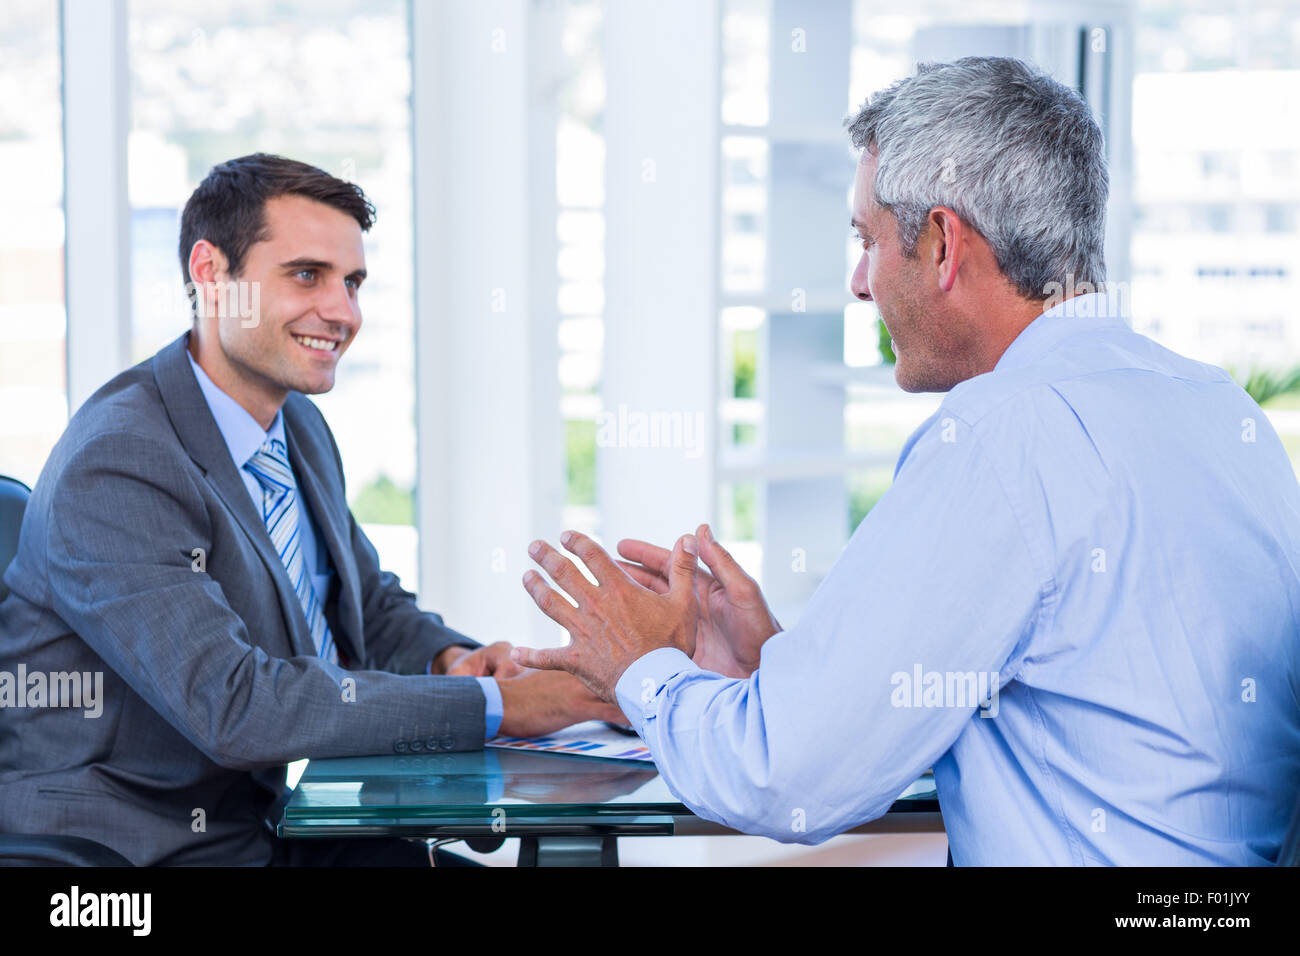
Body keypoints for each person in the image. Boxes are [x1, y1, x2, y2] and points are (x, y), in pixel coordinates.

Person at [511, 57, 1300, 865]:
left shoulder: (1003, 434)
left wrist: (642, 666)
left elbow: (784, 783)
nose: (860, 282)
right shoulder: (1220, 410)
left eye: (869, 240)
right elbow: (1102, 719)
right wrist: (784, 671)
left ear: (943, 244)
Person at [0, 153, 619, 866]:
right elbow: (236, 706)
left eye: (352, 283)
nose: (343, 313)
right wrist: (510, 708)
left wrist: (455, 662)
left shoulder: (293, 425)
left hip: (272, 826)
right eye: (307, 276)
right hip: (131, 851)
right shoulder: (118, 463)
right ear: (211, 273)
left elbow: (362, 606)